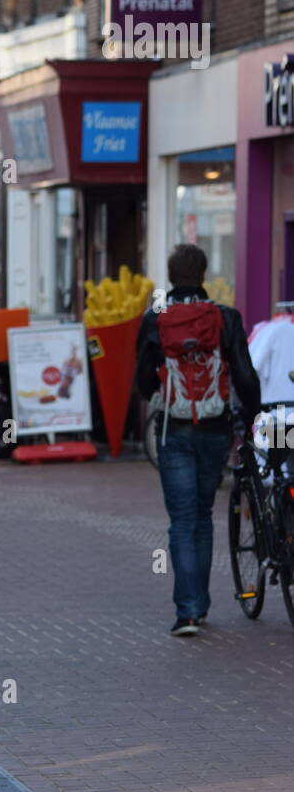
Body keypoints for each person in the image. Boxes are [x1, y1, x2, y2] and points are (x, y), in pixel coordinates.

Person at [135, 244, 261, 635]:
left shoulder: (155, 319)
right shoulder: (225, 317)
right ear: (203, 274)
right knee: (203, 517)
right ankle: (199, 605)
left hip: (174, 430)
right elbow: (244, 373)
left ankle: (188, 612)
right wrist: (254, 417)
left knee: (182, 521)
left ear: (171, 277)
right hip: (215, 430)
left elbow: (142, 380)